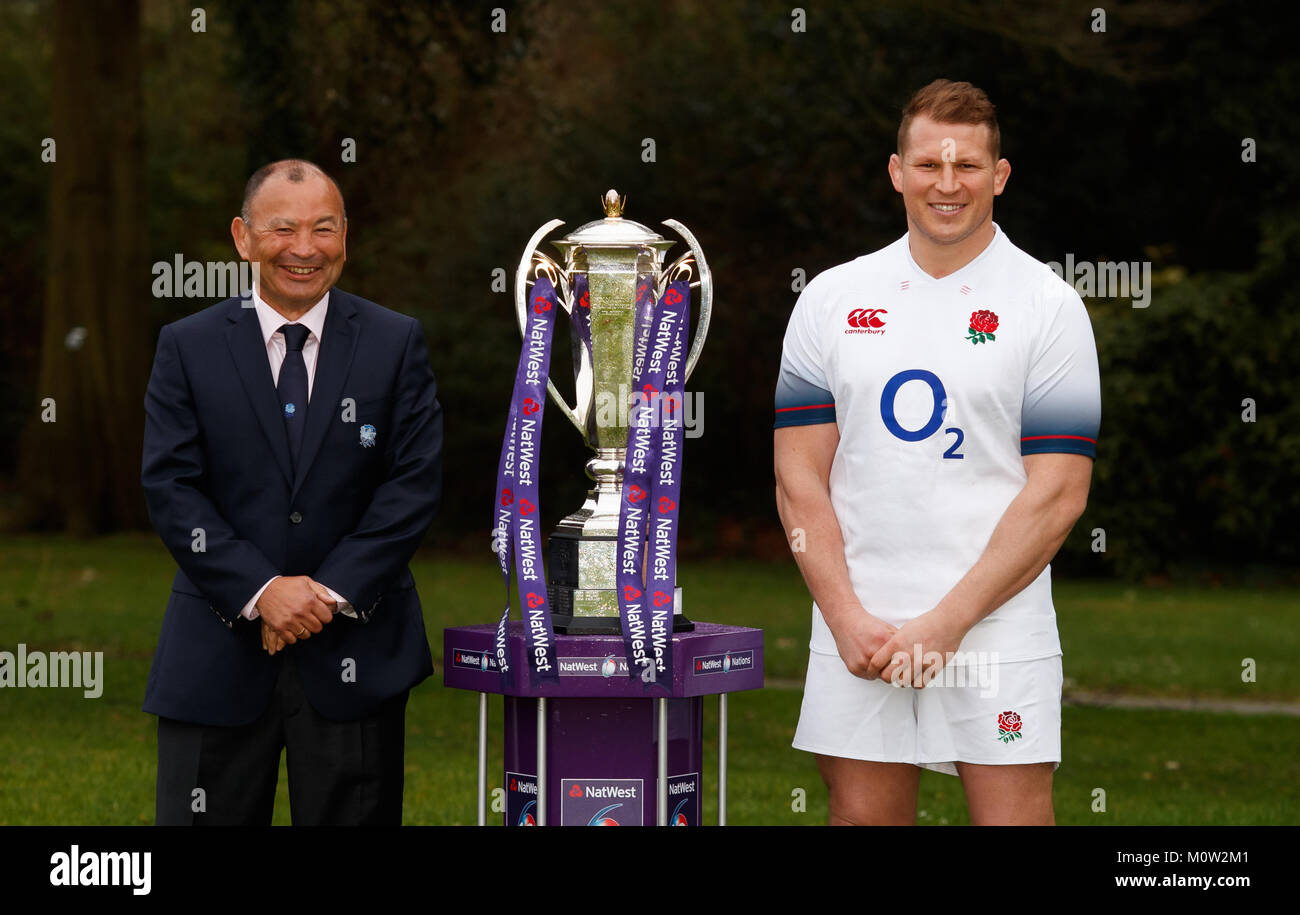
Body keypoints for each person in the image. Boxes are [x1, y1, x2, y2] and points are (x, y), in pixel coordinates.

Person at [773, 80, 1100, 826]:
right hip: (861, 620)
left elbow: (1058, 494)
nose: (946, 185)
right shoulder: (829, 297)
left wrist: (948, 622)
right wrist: (845, 613)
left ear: (1000, 175)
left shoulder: (1049, 307)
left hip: (995, 625)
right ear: (897, 171)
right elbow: (799, 478)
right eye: (928, 165)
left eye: (967, 167)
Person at [141, 159, 443, 825]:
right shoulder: (186, 347)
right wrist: (263, 591)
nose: (304, 248)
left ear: (346, 237)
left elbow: (411, 485)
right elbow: (172, 486)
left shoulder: (396, 343)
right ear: (242, 237)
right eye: (282, 228)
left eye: (322, 229)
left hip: (357, 658)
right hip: (215, 654)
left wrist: (324, 594)